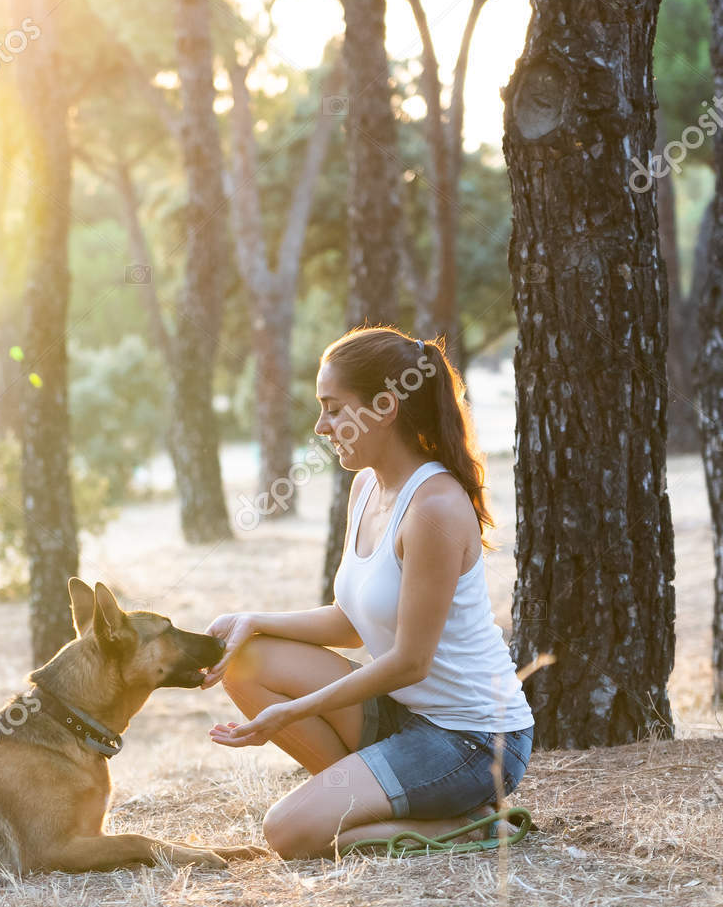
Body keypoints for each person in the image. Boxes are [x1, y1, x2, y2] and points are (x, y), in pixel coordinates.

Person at [205, 326, 535, 859]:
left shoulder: (434, 508)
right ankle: (368, 801)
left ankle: (467, 824)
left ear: (384, 406)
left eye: (334, 408)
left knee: (286, 834)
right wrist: (254, 620)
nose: (321, 426)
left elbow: (409, 663)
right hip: (404, 714)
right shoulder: (366, 486)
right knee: (247, 661)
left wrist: (290, 714)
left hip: (472, 743)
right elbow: (350, 620)